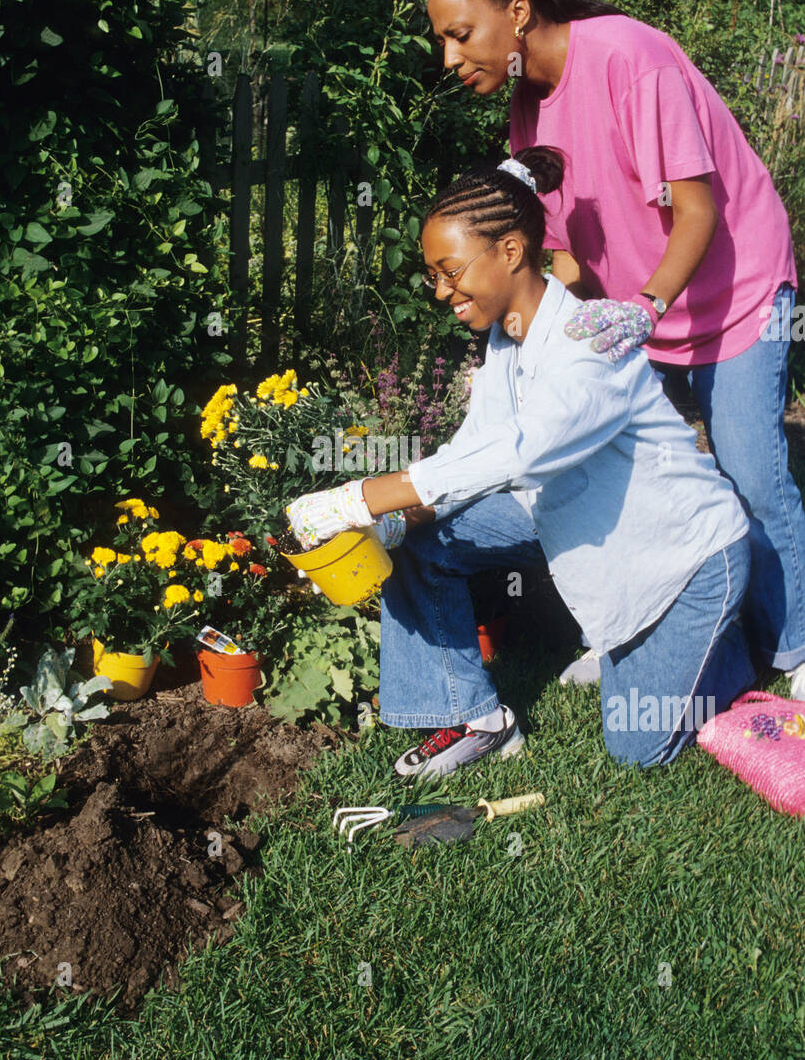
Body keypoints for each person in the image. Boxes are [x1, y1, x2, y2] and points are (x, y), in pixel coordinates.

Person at [286, 149, 754, 779]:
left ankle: (726, 652)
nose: (441, 291)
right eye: (433, 276)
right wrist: (393, 523)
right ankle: (475, 719)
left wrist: (357, 498)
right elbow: (472, 452)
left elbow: (521, 451)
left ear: (510, 251)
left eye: (450, 271)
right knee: (425, 542)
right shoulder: (507, 340)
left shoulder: (590, 340)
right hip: (576, 523)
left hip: (682, 557)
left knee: (635, 747)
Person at [425, 0, 804, 698]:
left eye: (459, 33)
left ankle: (795, 650)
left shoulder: (633, 57)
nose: (446, 57)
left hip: (738, 292)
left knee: (750, 469)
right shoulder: (525, 117)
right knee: (618, 475)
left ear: (519, 12)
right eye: (442, 39)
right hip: (642, 311)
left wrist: (645, 307)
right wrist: (508, 318)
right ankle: (635, 624)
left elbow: (697, 210)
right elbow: (564, 259)